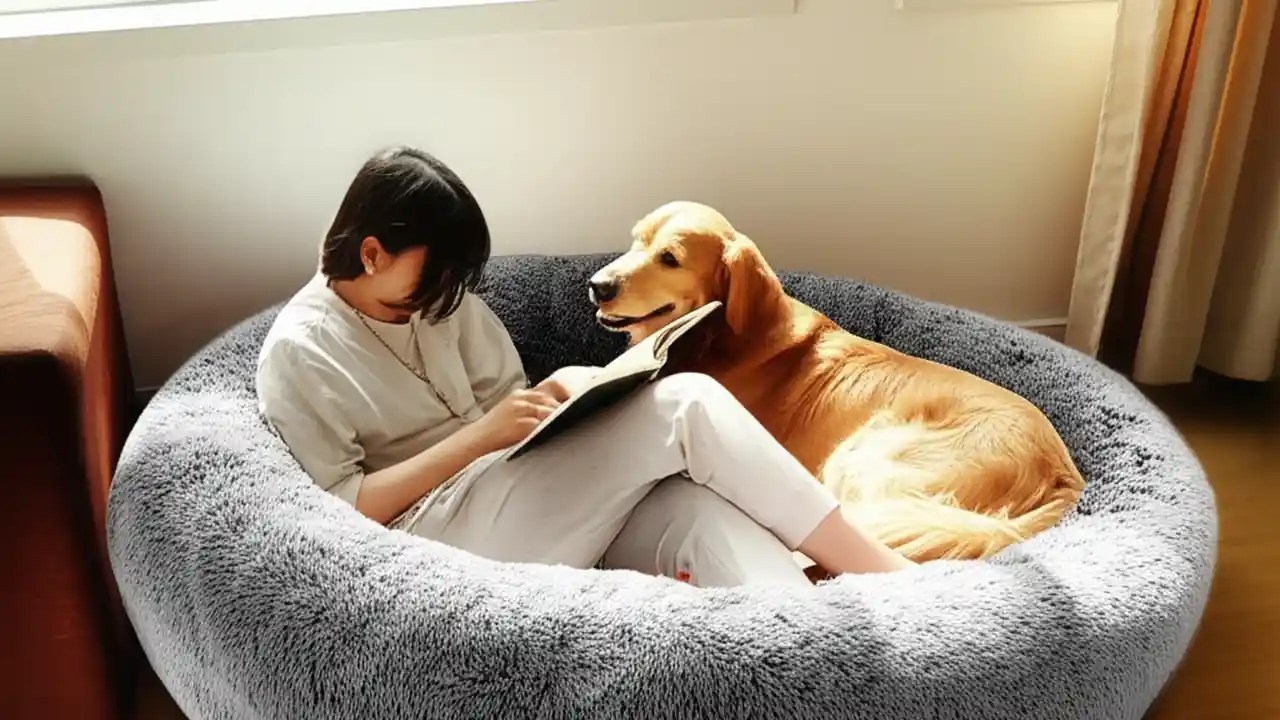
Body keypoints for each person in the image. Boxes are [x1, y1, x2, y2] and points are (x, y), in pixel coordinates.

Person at [256, 146, 913, 588]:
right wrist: (479, 438)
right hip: (438, 541)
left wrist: (563, 397)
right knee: (687, 405)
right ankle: (894, 584)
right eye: (433, 282)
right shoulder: (302, 352)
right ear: (372, 254)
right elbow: (345, 510)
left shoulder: (443, 303)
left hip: (533, 502)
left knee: (699, 516)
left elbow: (512, 406)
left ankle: (840, 657)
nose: (445, 301)